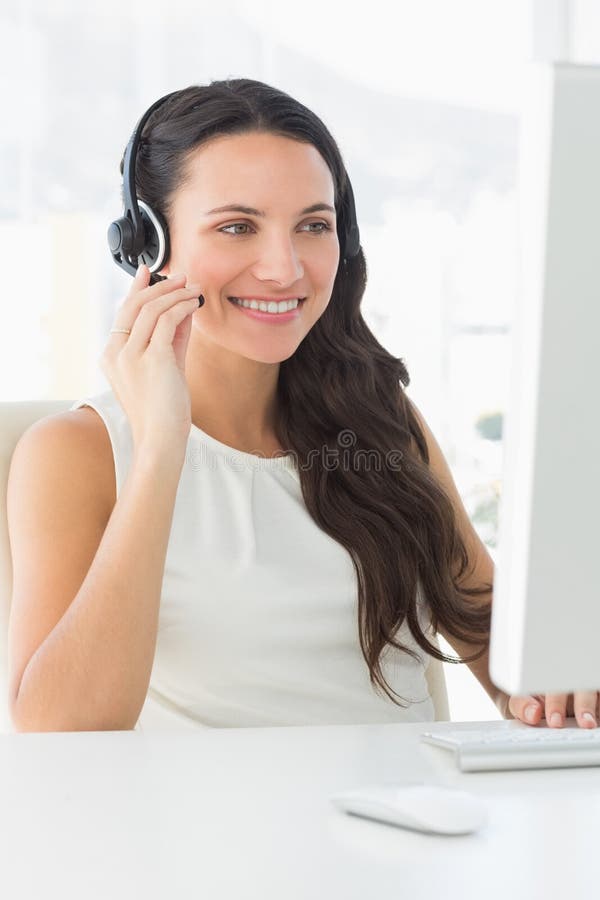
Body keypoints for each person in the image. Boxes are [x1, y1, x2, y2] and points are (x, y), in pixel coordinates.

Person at [6, 78, 597, 733]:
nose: (285, 268)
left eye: (313, 225)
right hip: (206, 832)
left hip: (416, 820)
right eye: (237, 226)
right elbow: (59, 734)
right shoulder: (74, 452)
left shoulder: (377, 422)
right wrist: (161, 449)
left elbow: (512, 660)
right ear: (147, 245)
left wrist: (565, 681)